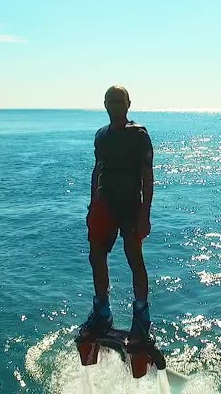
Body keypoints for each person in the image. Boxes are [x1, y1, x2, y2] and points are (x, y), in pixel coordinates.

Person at [79, 85, 155, 346]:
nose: (115, 104)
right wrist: (92, 207)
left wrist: (146, 213)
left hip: (131, 205)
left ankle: (142, 319)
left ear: (128, 103)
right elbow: (97, 170)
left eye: (119, 100)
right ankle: (102, 312)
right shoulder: (101, 136)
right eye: (110, 100)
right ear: (105, 104)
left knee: (134, 258)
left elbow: (147, 175)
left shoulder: (139, 135)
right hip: (106, 204)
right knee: (96, 255)